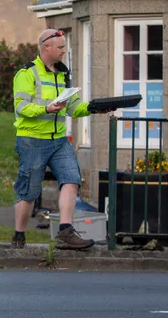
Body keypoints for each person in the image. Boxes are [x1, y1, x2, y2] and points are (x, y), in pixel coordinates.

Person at [11, 28, 112, 249]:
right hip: (32, 140)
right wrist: (46, 108)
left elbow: (73, 107)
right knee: (28, 193)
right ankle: (19, 235)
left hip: (58, 140)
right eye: (61, 47)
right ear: (46, 47)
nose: (64, 51)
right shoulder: (26, 74)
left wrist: (93, 108)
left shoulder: (63, 74)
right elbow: (21, 108)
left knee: (72, 178)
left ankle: (65, 231)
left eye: (64, 47)